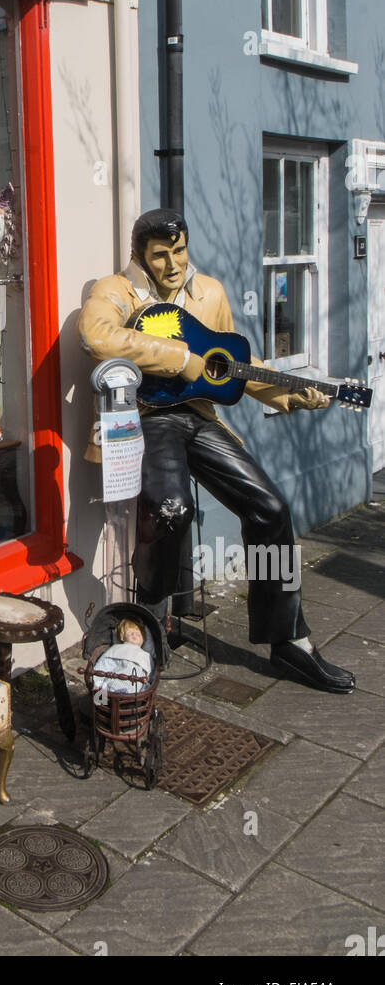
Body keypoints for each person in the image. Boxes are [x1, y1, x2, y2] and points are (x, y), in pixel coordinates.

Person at [78, 208, 355, 694]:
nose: (172, 265)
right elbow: (97, 336)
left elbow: (234, 368)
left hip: (199, 418)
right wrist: (180, 359)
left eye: (179, 252)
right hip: (147, 418)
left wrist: (291, 392)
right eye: (160, 255)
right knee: (171, 509)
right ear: (139, 254)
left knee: (270, 507)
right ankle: (148, 623)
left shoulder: (210, 293)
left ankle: (288, 639)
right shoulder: (116, 291)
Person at [92, 617, 153, 701]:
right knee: (103, 693)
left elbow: (150, 675)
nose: (134, 635)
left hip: (135, 691)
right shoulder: (117, 649)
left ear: (144, 639)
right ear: (122, 637)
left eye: (138, 634)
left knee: (142, 686)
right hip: (112, 686)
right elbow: (103, 666)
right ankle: (102, 703)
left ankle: (133, 704)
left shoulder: (146, 655)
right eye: (130, 633)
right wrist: (97, 682)